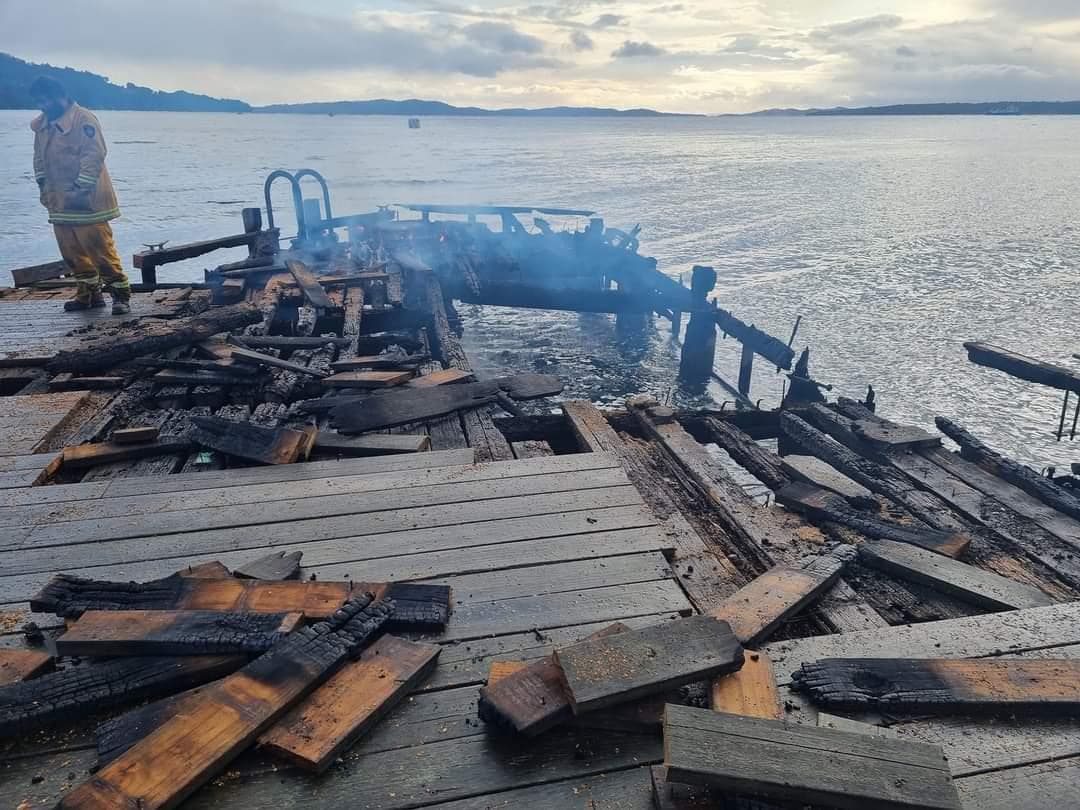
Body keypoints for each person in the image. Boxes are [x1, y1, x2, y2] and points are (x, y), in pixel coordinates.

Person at [30, 76, 131, 314]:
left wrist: (80, 187)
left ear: (60, 96)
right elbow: (39, 157)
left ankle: (120, 295)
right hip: (58, 201)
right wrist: (42, 183)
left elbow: (94, 154)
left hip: (87, 201)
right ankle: (89, 294)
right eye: (38, 101)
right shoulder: (42, 125)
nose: (42, 106)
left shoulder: (83, 119)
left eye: (45, 100)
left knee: (101, 251)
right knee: (72, 253)